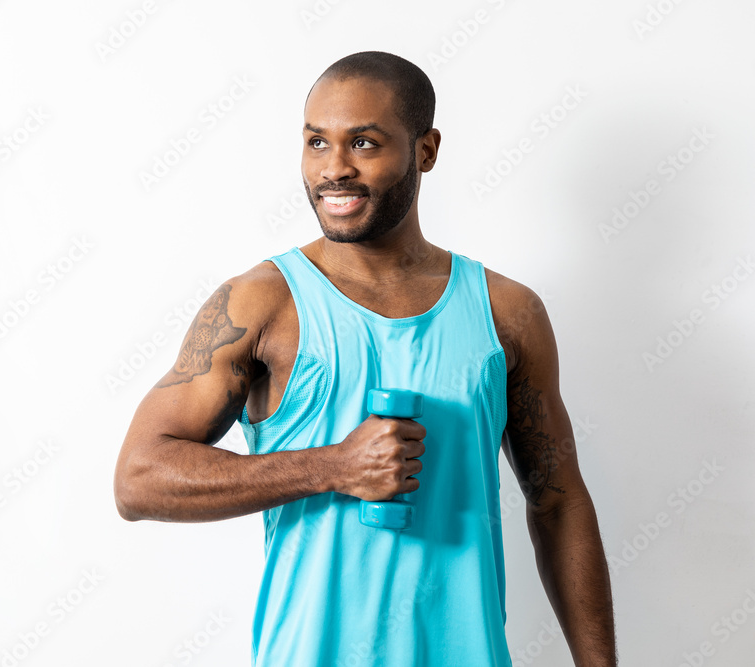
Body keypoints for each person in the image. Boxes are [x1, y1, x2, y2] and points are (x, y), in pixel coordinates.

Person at [114, 51, 616, 666]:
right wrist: (332, 467)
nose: (334, 170)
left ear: (425, 151)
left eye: (364, 144)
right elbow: (139, 479)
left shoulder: (507, 313)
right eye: (317, 142)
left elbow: (558, 499)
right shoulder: (262, 303)